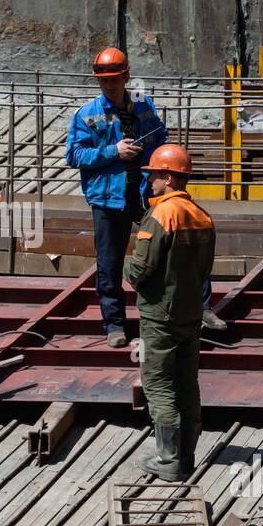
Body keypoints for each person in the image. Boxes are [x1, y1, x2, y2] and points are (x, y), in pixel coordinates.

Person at [65, 47, 225, 349]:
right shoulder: (86, 115)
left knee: (183, 246)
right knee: (109, 264)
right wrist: (114, 151)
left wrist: (160, 168)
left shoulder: (142, 105)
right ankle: (114, 325)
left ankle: (202, 308)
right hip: (109, 200)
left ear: (126, 76)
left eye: (114, 79)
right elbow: (74, 155)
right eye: (103, 80)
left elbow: (160, 138)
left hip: (146, 192)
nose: (109, 85)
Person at [124, 143, 216, 481]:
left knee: (158, 383)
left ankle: (169, 460)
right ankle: (187, 456)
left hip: (158, 317)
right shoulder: (202, 215)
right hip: (190, 315)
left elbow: (140, 268)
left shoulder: (162, 215)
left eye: (153, 177)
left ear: (167, 177)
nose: (150, 183)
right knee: (187, 383)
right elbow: (205, 270)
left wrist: (124, 269)